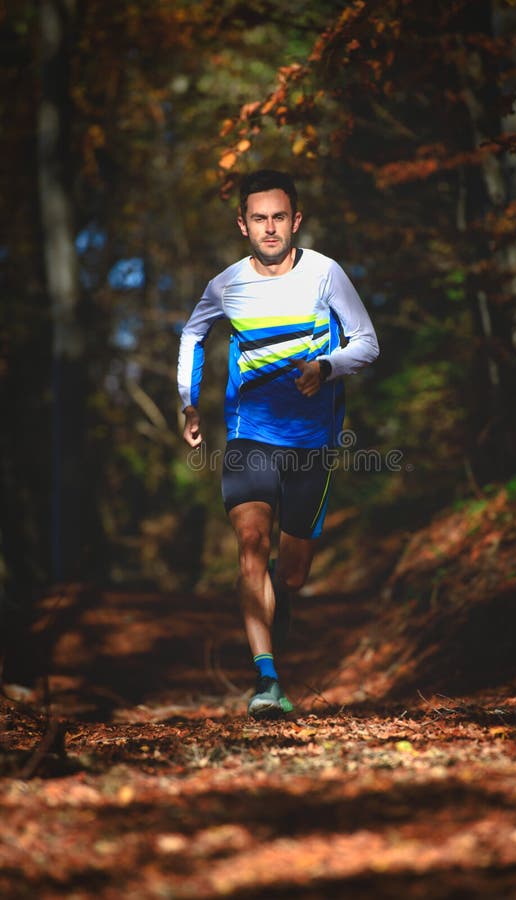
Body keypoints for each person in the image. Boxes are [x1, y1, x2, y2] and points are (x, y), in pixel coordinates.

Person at [177, 169, 379, 718]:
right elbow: (193, 333)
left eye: (279, 218)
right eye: (259, 219)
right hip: (249, 435)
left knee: (289, 574)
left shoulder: (326, 274)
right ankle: (266, 680)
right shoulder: (227, 285)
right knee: (250, 544)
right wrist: (189, 401)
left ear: (296, 220)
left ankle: (276, 609)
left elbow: (367, 343)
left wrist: (326, 365)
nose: (270, 229)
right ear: (243, 225)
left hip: (313, 442)